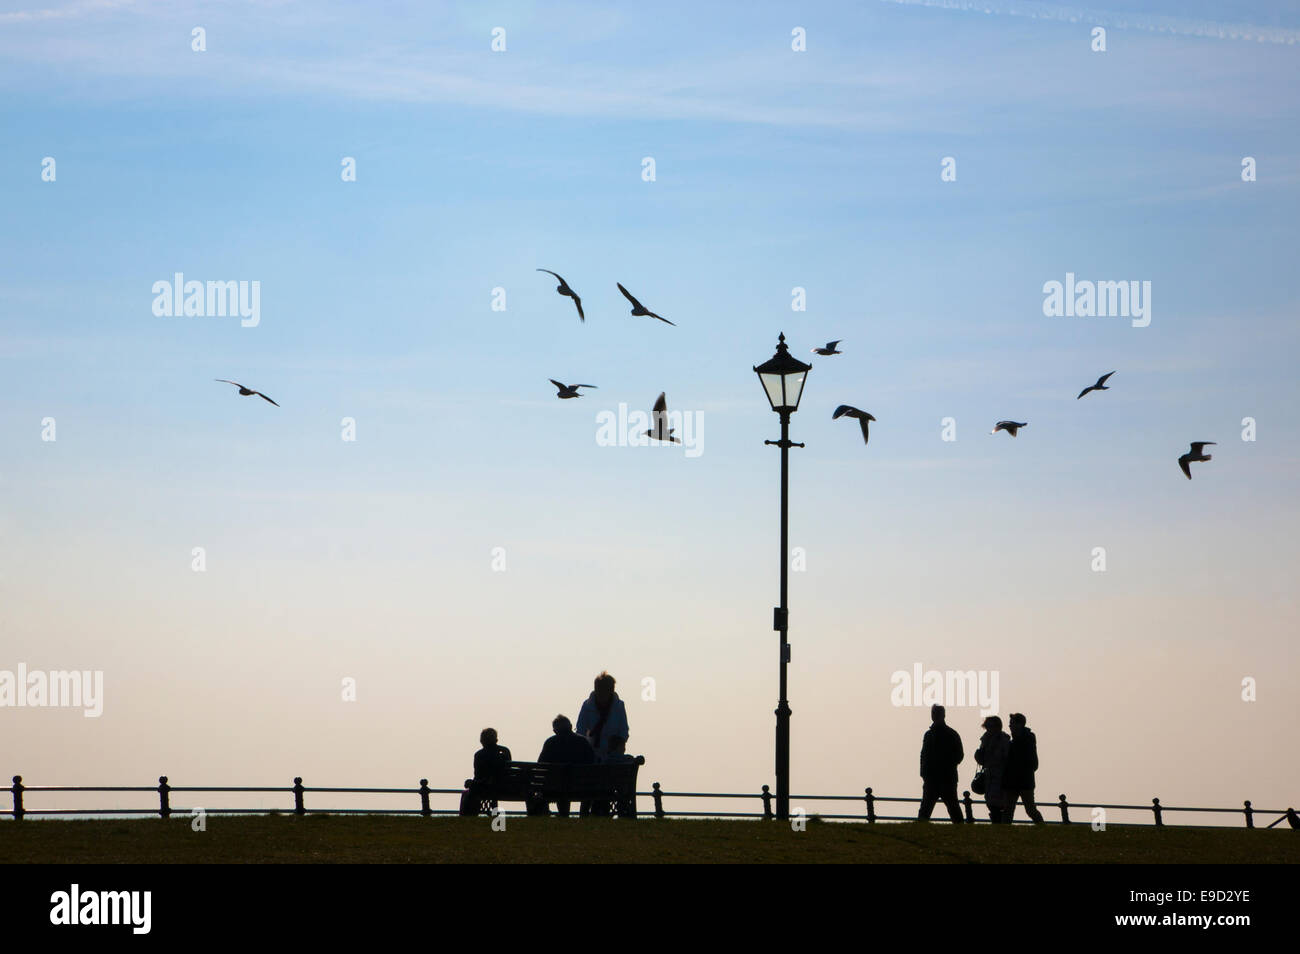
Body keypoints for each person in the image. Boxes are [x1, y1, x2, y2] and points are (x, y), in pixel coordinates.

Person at [531, 714, 595, 817]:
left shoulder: (550, 743)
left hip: (554, 788)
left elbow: (540, 766)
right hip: (582, 787)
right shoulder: (583, 742)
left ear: (555, 731)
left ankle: (563, 815)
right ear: (570, 726)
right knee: (580, 785)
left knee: (560, 783)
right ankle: (584, 816)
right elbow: (592, 764)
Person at [918, 704, 965, 823]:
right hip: (937, 777)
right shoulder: (945, 734)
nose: (934, 716)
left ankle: (920, 828)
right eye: (933, 713)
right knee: (930, 808)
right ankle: (960, 828)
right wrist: (924, 772)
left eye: (936, 713)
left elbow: (959, 755)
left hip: (944, 777)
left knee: (949, 807)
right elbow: (924, 755)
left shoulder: (934, 734)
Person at [575, 671, 629, 760]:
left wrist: (617, 746)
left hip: (613, 755)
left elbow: (623, 730)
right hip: (590, 754)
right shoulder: (587, 706)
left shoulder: (619, 706)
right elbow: (580, 730)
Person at [458, 727, 512, 817]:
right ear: (496, 739)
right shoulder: (505, 751)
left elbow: (479, 777)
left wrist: (471, 783)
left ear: (482, 741)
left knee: (468, 793)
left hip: (487, 788)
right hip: (505, 787)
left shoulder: (480, 755)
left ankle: (466, 818)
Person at [1003, 712, 1043, 823]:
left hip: (1022, 780)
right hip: (1017, 780)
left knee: (1028, 809)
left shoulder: (1025, 739)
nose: (1010, 726)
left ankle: (1042, 826)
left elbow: (1028, 760)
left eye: (1012, 723)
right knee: (1010, 809)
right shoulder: (1023, 739)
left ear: (1020, 724)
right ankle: (1042, 827)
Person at [974, 715, 1011, 823]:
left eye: (990, 726)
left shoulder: (1003, 740)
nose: (988, 729)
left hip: (1000, 776)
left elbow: (1006, 757)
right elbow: (983, 758)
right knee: (991, 802)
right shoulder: (985, 739)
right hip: (989, 775)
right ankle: (997, 822)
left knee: (996, 803)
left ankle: (998, 822)